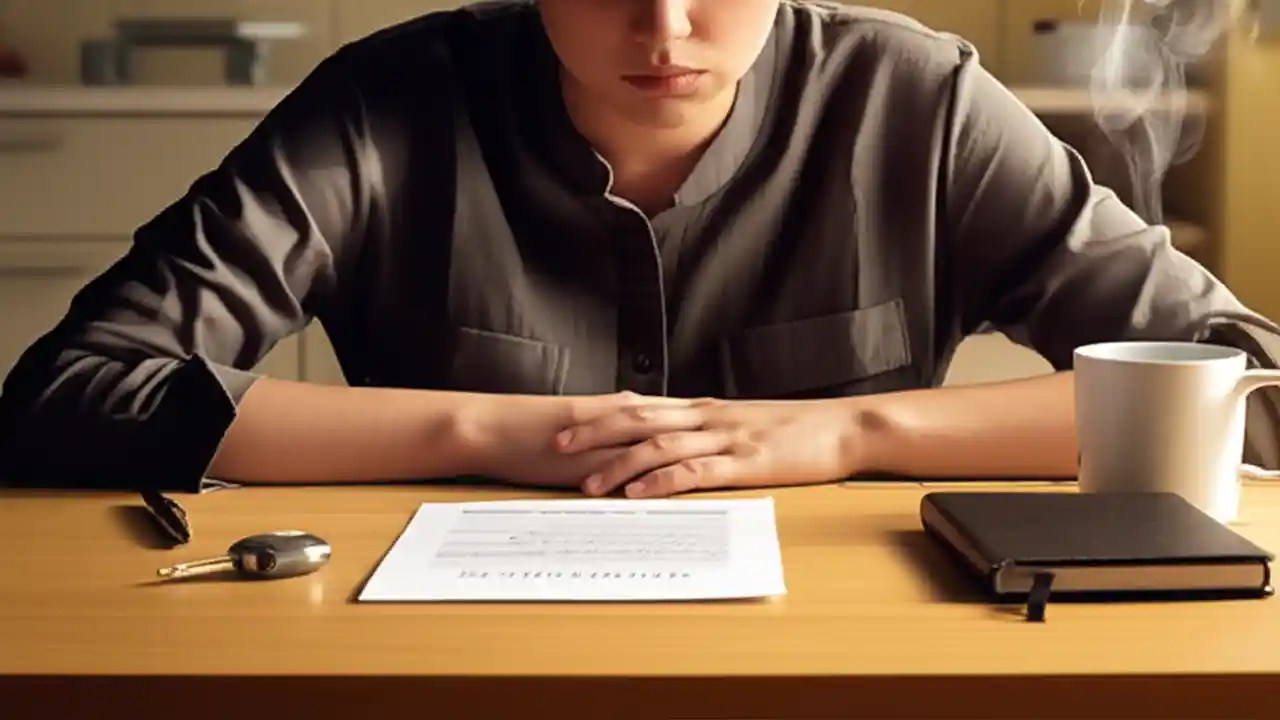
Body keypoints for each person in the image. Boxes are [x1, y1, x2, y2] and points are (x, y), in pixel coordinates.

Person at [2, 0, 1278, 498]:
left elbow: (1252, 390)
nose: (662, 26)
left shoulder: (919, 104)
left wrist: (849, 434)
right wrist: (495, 435)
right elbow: (65, 400)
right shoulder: (383, 104)